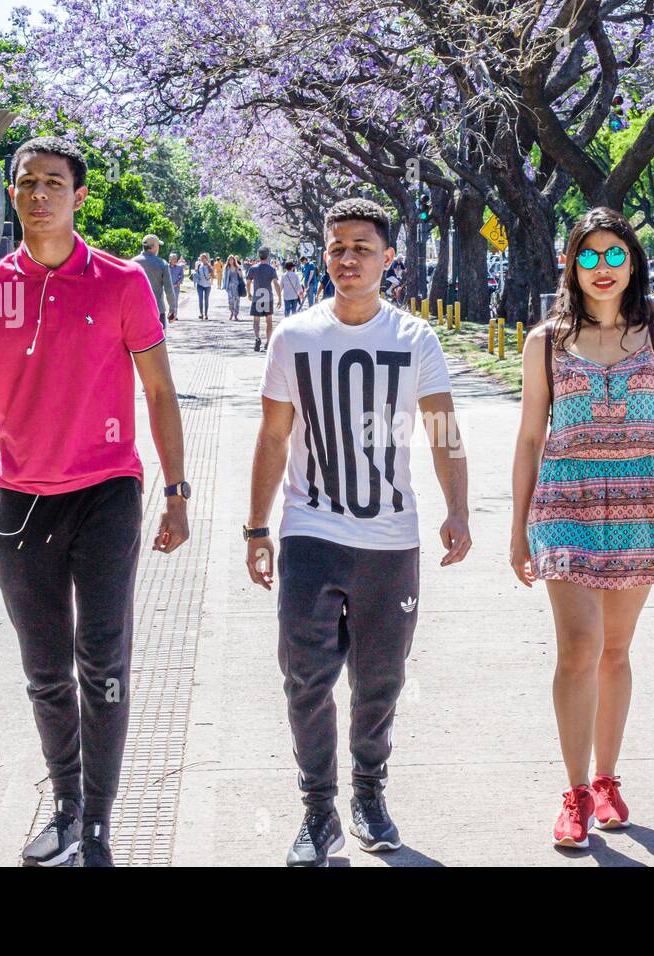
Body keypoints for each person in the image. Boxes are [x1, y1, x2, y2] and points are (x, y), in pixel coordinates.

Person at [0, 136, 192, 868]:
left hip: (108, 492)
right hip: (21, 502)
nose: (39, 193)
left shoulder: (121, 281)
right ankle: (68, 808)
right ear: (11, 194)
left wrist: (175, 492)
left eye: (54, 182)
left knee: (102, 662)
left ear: (79, 197)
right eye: (27, 182)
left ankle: (100, 823)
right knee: (45, 671)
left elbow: (160, 391)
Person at [247, 197, 471, 866]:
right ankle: (318, 812)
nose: (348, 258)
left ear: (387, 259)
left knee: (380, 680)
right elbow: (273, 435)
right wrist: (256, 527)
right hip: (310, 534)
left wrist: (458, 509)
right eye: (337, 247)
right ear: (325, 256)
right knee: (306, 679)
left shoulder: (415, 340)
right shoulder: (293, 337)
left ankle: (369, 793)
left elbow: (443, 434)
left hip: (391, 541)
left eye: (362, 248)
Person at [510, 206, 654, 851]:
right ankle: (575, 793)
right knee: (579, 647)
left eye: (615, 254)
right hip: (564, 502)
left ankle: (608, 778)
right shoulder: (546, 342)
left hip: (639, 504)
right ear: (571, 265)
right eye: (588, 256)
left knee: (616, 651)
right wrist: (517, 529)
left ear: (633, 262)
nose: (602, 268)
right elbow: (531, 436)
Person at [132, 235, 177, 325]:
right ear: (154, 247)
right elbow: (169, 289)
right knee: (159, 338)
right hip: (157, 309)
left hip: (136, 311)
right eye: (158, 245)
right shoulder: (162, 264)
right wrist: (172, 309)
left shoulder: (132, 262)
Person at [245, 246, 282, 352]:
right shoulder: (271, 269)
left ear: (258, 255)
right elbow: (275, 283)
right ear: (268, 255)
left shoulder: (253, 268)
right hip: (267, 297)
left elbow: (248, 282)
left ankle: (257, 338)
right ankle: (268, 342)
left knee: (256, 320)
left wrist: (249, 293)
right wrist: (279, 297)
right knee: (269, 321)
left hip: (257, 297)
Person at [192, 253, 214, 320]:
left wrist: (211, 280)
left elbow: (213, 275)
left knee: (206, 299)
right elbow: (196, 273)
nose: (203, 260)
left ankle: (206, 314)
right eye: (202, 258)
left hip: (207, 285)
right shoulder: (199, 266)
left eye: (204, 258)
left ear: (207, 259)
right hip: (200, 285)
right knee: (200, 299)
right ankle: (201, 313)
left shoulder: (209, 266)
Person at [223, 254, 243, 319]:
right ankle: (231, 312)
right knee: (230, 301)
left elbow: (240, 276)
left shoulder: (237, 267)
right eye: (229, 260)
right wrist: (225, 286)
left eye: (232, 260)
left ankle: (236, 314)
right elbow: (224, 278)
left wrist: (239, 270)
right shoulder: (226, 268)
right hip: (229, 287)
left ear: (234, 260)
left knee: (237, 301)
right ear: (228, 261)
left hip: (236, 286)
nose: (231, 261)